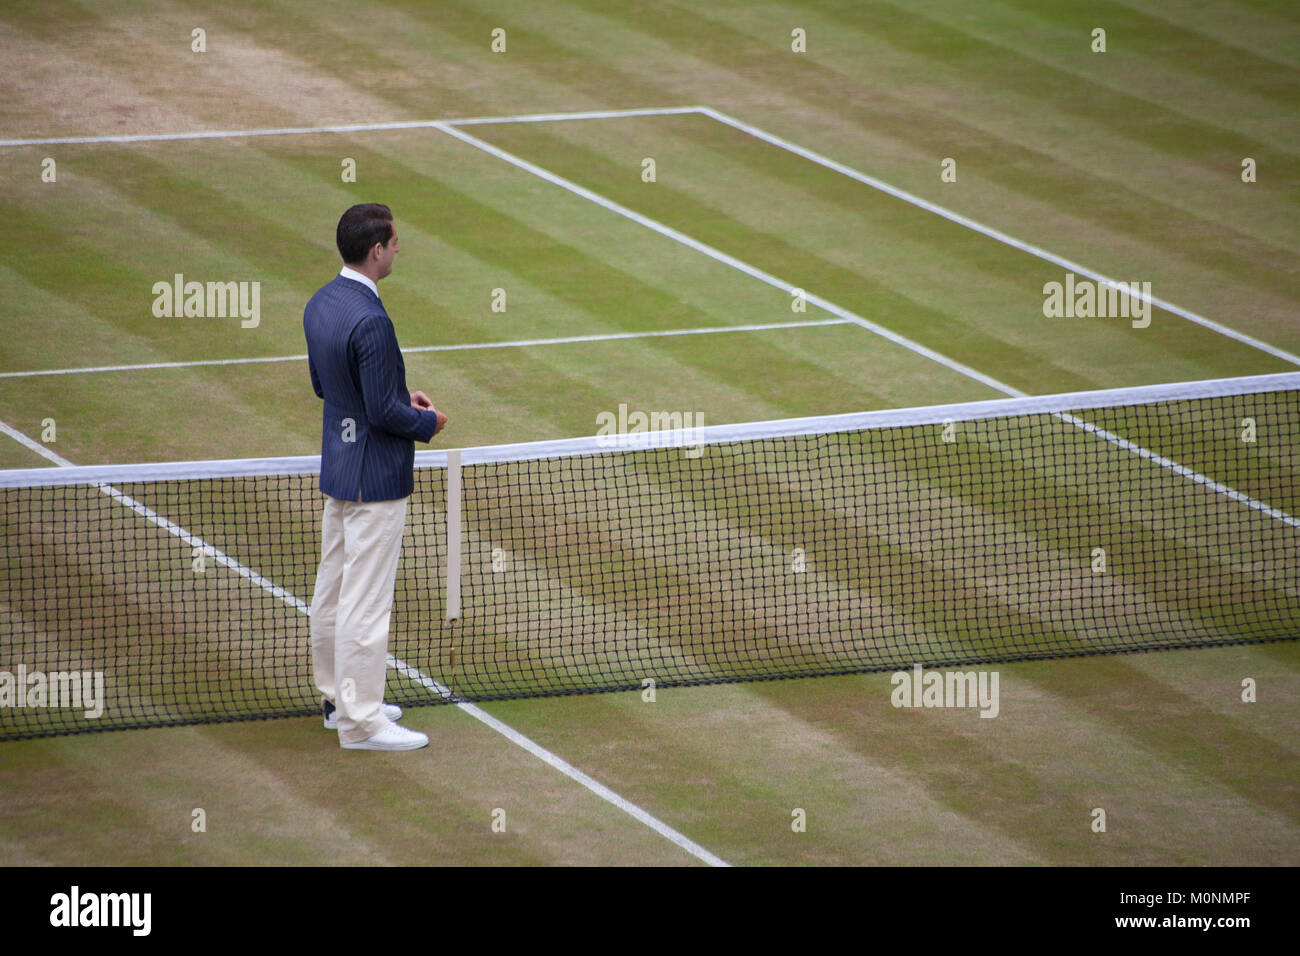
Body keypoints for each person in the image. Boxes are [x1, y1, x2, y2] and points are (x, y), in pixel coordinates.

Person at [303, 203, 447, 751]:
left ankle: (338, 700)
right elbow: (385, 414)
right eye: (394, 242)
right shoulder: (372, 319)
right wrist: (425, 420)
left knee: (334, 591)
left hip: (340, 468)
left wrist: (391, 397)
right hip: (376, 477)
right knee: (365, 601)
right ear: (376, 250)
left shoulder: (322, 303)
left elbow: (328, 386)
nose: (397, 249)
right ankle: (361, 723)